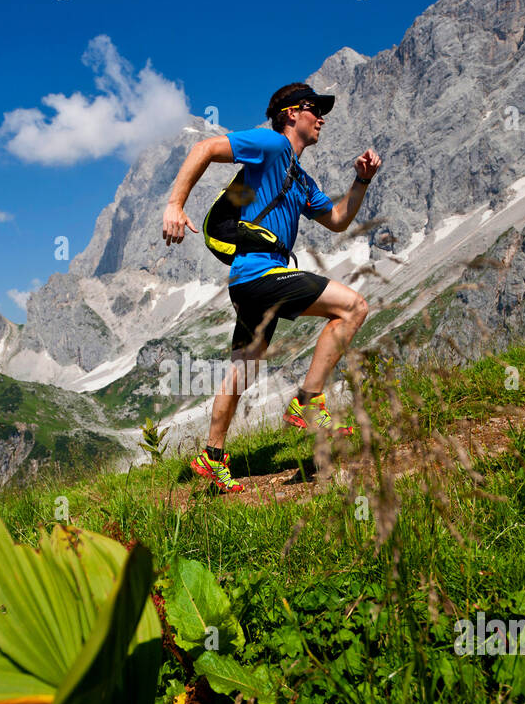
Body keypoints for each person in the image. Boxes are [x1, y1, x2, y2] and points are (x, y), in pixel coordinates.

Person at [161, 82, 381, 493]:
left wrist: (361, 181)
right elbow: (204, 149)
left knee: (243, 369)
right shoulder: (271, 145)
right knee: (353, 308)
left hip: (253, 282)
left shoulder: (300, 178)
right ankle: (309, 401)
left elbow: (336, 219)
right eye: (315, 109)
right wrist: (175, 204)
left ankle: (212, 455)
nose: (322, 118)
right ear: (291, 114)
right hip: (259, 274)